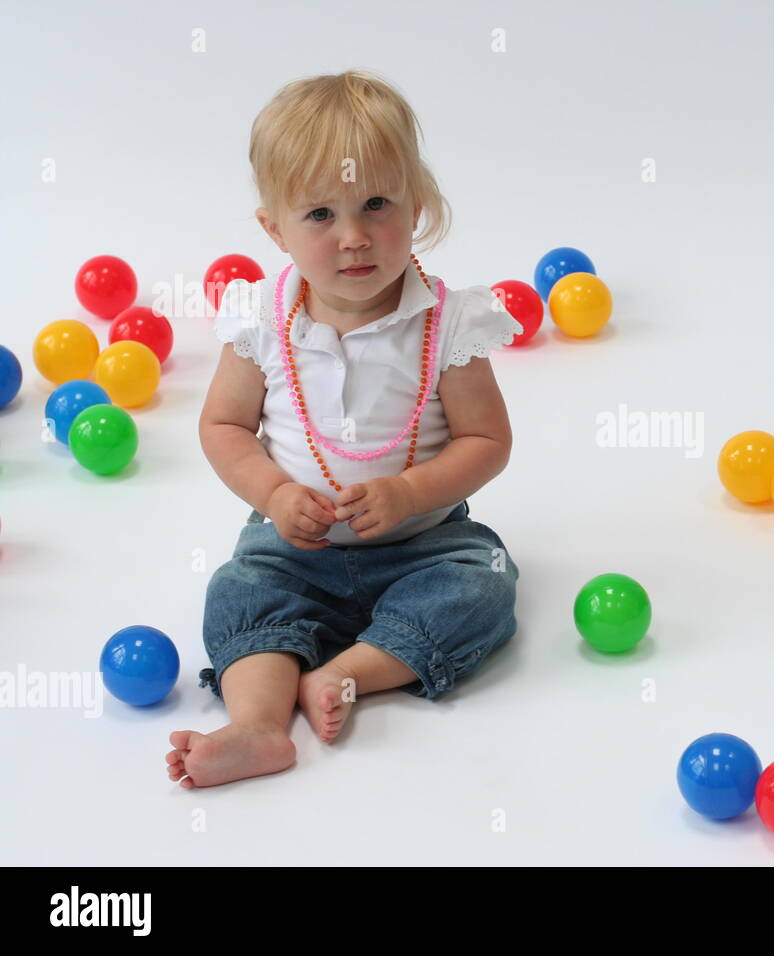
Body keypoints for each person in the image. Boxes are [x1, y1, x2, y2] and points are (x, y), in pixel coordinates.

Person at [166, 70, 523, 789]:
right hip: (292, 548)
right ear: (275, 228)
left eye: (377, 204)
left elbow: (489, 442)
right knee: (238, 591)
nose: (354, 237)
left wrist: (411, 491)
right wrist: (271, 493)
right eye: (321, 215)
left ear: (416, 205)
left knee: (484, 586)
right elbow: (223, 426)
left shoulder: (448, 320)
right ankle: (260, 725)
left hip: (424, 544)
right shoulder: (264, 318)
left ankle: (345, 674)